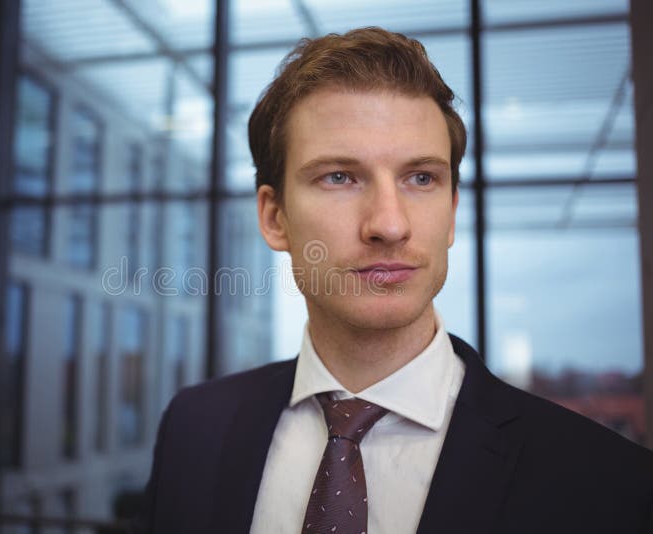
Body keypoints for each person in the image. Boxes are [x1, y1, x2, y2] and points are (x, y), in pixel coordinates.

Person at [134, 27, 653, 534]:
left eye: (421, 178)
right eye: (340, 176)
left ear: (450, 214)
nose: (389, 224)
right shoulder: (193, 428)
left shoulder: (609, 482)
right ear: (274, 217)